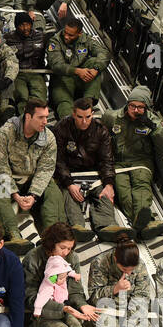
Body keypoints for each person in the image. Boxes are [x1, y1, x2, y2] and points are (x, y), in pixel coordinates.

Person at [101, 85, 163, 240]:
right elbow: (100, 137)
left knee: (141, 189)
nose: (135, 110)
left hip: (141, 163)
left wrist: (153, 128)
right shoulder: (113, 117)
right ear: (127, 105)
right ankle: (145, 223)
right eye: (132, 106)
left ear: (146, 108)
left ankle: (140, 221)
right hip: (119, 163)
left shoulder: (153, 122)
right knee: (123, 192)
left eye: (140, 107)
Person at [0, 98, 58, 254]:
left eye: (47, 117)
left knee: (53, 193)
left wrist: (33, 195)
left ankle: (51, 235)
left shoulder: (49, 137)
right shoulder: (5, 133)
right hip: (9, 177)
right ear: (28, 116)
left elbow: (46, 169)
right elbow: (0, 166)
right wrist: (16, 195)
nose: (45, 121)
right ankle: (13, 235)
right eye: (41, 117)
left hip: (33, 178)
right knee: (0, 193)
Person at [51, 97, 123, 243]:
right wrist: (69, 183)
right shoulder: (62, 128)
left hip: (93, 174)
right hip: (70, 174)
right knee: (69, 197)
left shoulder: (100, 130)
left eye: (88, 117)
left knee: (104, 195)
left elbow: (107, 159)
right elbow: (58, 160)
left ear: (92, 114)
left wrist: (109, 184)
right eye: (80, 117)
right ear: (73, 114)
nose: (84, 121)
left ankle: (107, 226)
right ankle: (77, 227)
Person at [47, 19, 107, 116]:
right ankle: (68, 122)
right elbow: (56, 65)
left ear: (79, 34)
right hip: (61, 80)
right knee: (65, 106)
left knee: (94, 62)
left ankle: (87, 105)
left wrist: (96, 69)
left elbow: (104, 53)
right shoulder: (55, 41)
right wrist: (77, 71)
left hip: (80, 82)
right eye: (65, 32)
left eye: (70, 35)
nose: (66, 36)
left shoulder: (86, 39)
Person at [5, 13, 48, 108]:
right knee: (22, 97)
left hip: (36, 72)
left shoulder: (40, 36)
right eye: (21, 25)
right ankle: (24, 118)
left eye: (27, 24)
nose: (25, 28)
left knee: (39, 99)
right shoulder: (8, 38)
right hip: (18, 73)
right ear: (16, 26)